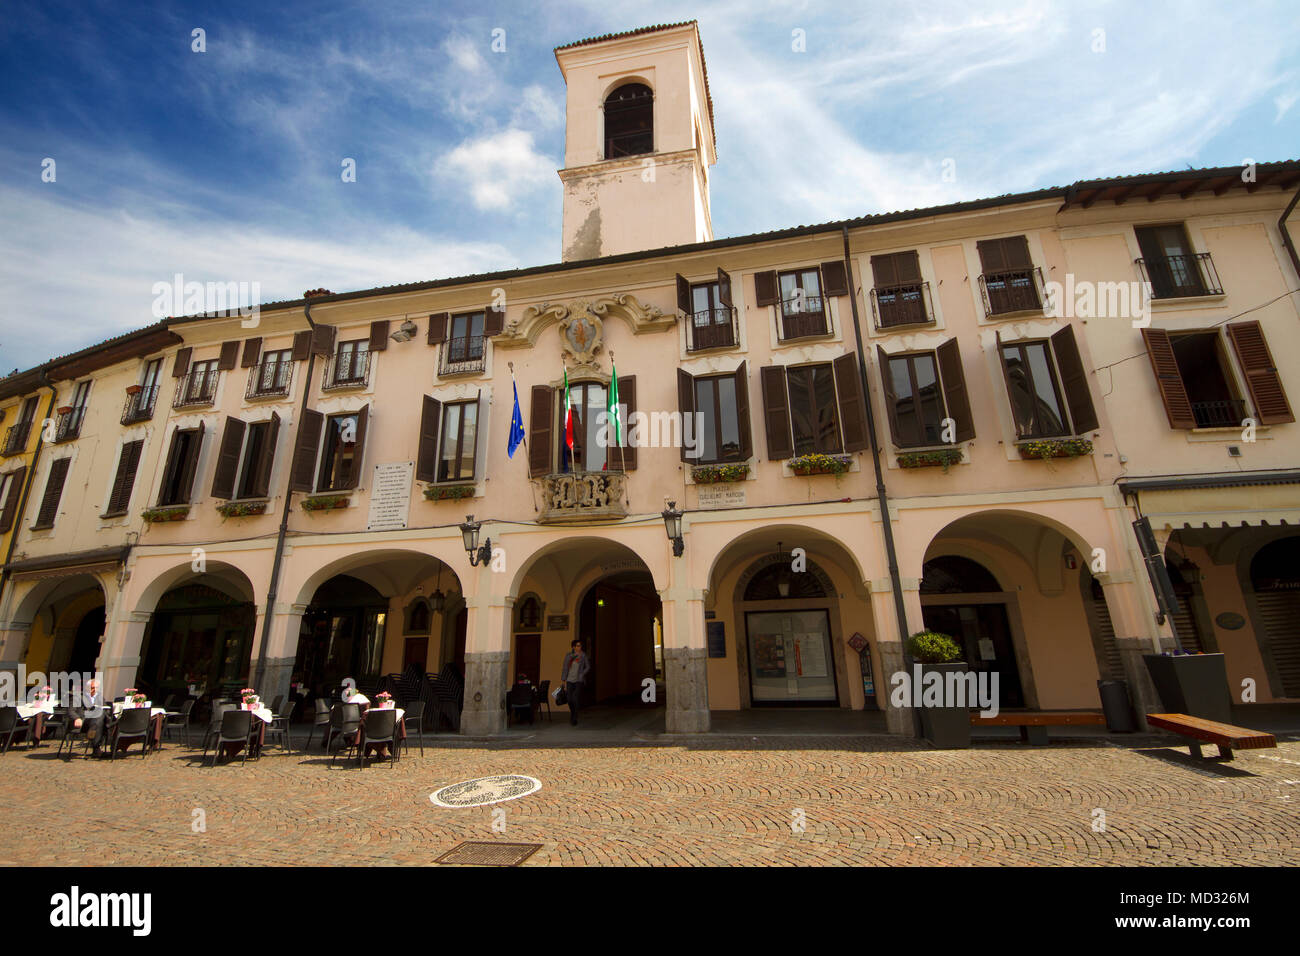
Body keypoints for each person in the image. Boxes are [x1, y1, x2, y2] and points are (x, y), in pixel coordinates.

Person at [559, 640, 590, 726]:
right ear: (573, 647)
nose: (579, 647)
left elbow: (588, 667)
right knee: (569, 699)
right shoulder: (569, 655)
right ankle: (573, 712)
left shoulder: (583, 655)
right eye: (577, 646)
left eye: (580, 646)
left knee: (575, 698)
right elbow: (565, 668)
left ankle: (575, 716)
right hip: (569, 680)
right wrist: (563, 680)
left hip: (578, 680)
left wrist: (582, 674)